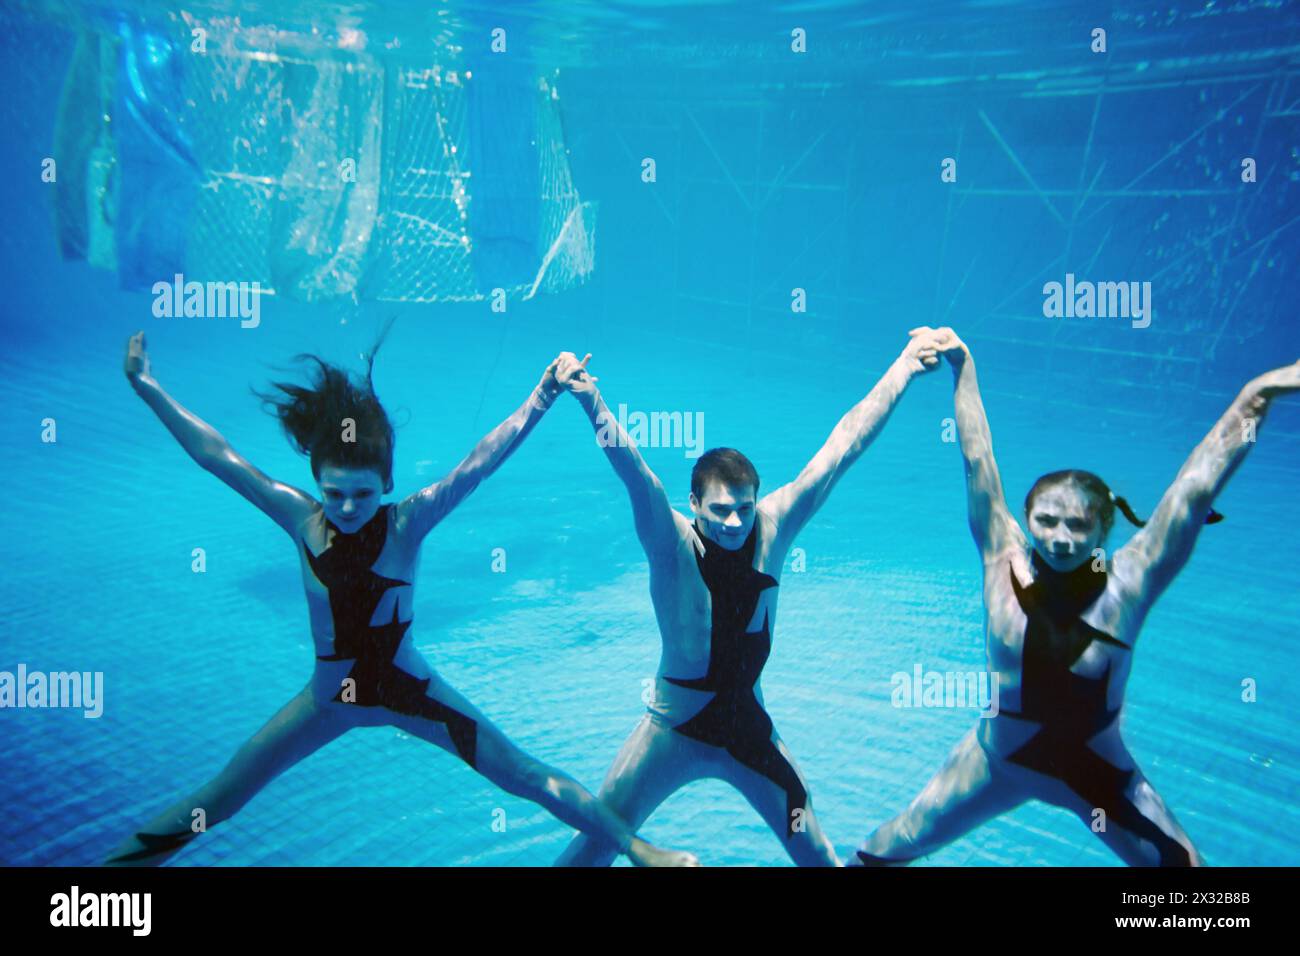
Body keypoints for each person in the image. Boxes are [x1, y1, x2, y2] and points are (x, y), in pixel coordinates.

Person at [105, 330, 697, 867]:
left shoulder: (408, 523)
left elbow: (480, 464)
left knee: (521, 773)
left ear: (386, 485)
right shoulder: (300, 518)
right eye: (333, 492)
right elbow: (217, 457)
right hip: (329, 698)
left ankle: (641, 850)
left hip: (410, 691)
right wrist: (147, 387)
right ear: (317, 483)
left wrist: (543, 394)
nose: (345, 507)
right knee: (222, 796)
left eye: (361, 494)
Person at [850, 326, 1300, 867]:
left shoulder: (1134, 578)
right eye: (1047, 520)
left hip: (1100, 777)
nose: (1061, 537)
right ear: (1028, 519)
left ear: (1103, 528)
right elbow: (977, 459)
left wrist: (1261, 392)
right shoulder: (1001, 556)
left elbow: (1195, 488)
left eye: (1078, 525)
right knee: (882, 850)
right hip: (994, 762)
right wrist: (963, 367)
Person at [554, 330, 949, 866]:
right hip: (672, 730)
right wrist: (589, 400)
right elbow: (634, 471)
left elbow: (843, 447)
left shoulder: (775, 524)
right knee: (596, 845)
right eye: (720, 510)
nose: (735, 522)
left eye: (744, 506)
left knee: (814, 850)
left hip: (748, 729)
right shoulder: (670, 541)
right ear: (693, 503)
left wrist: (903, 366)